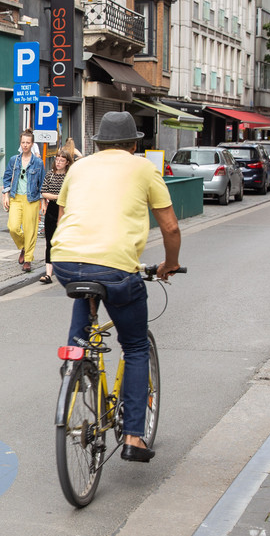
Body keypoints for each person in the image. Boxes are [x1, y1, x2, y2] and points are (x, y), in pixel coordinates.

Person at [52, 112, 182, 463]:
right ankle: (134, 437)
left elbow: (64, 217)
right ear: (133, 143)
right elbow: (169, 227)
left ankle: (74, 359)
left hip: (65, 261)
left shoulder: (79, 167)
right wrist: (169, 264)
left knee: (86, 287)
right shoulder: (143, 168)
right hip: (116, 268)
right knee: (136, 346)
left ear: (99, 144)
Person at [1, 129, 45, 273]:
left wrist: (43, 202)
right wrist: (5, 194)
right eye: (23, 142)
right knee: (13, 227)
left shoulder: (38, 162)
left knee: (30, 230)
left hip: (31, 199)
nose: (25, 145)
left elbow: (43, 183)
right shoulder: (14, 160)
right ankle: (23, 246)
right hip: (16, 197)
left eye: (28, 142)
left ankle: (28, 259)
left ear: (32, 144)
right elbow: (7, 177)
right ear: (20, 144)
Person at [38, 150, 74, 285]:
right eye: (57, 160)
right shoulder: (50, 175)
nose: (58, 162)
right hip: (53, 208)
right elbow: (44, 192)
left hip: (66, 209)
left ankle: (67, 268)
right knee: (50, 241)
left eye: (61, 161)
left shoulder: (69, 177)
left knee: (65, 240)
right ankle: (48, 274)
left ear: (67, 163)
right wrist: (58, 197)